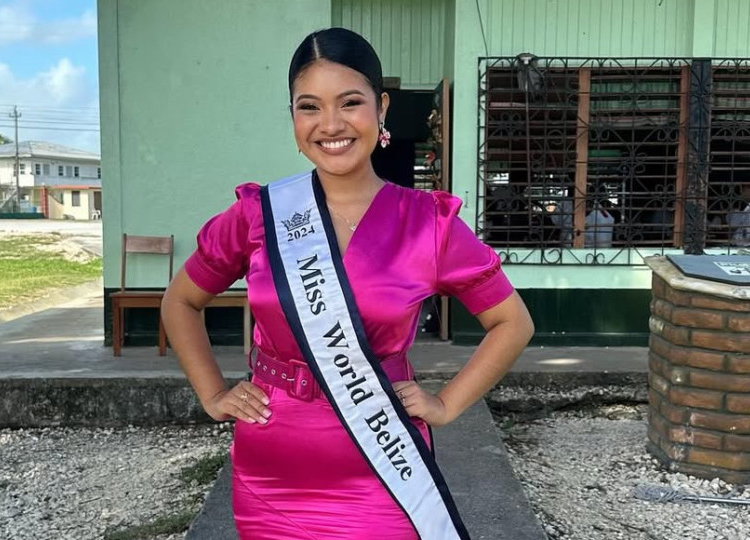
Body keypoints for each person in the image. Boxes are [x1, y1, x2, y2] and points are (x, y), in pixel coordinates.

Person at [160, 27, 534, 540]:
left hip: (381, 463)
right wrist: (213, 393)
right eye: (309, 106)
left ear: (381, 108)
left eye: (350, 102)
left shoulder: (428, 223)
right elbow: (181, 300)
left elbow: (512, 322)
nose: (330, 124)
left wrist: (445, 404)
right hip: (272, 469)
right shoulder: (259, 214)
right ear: (292, 116)